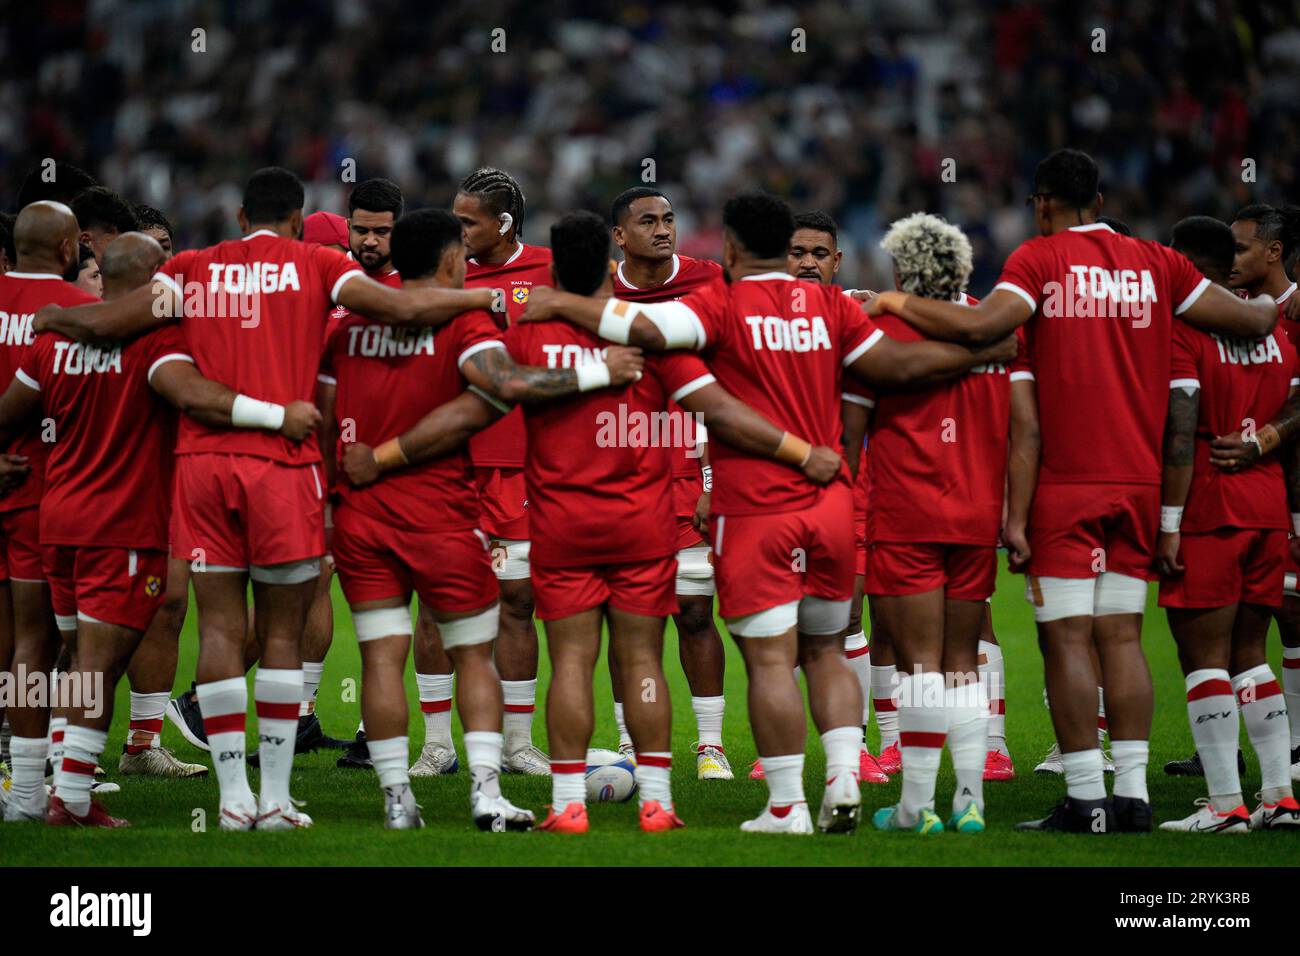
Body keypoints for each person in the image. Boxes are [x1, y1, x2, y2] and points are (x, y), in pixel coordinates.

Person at [523, 193, 1017, 835]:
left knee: (768, 660)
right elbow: (893, 366)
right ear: (790, 247)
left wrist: (563, 303)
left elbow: (646, 332)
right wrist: (978, 355)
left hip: (757, 508)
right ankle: (847, 776)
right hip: (837, 508)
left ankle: (787, 806)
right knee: (830, 653)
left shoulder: (721, 303)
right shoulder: (834, 305)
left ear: (729, 249)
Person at [35, 166, 497, 831]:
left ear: (240, 217)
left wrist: (57, 316)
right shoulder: (316, 261)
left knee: (219, 627)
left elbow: (117, 321)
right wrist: (486, 303)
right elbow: (397, 307)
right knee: (281, 629)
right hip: (282, 463)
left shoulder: (192, 266)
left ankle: (230, 801)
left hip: (202, 464)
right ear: (299, 220)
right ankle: (275, 799)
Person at [863, 148, 1278, 832]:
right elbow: (1254, 321)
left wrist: (888, 299)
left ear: (1043, 202)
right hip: (1140, 485)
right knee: (1122, 635)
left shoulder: (1040, 259)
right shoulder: (1161, 263)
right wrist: (1273, 290)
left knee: (1067, 641)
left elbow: (980, 327)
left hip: (1067, 486)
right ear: (1102, 195)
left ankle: (1086, 799)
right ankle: (1136, 798)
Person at [0, 229, 321, 826]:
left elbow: (7, 416)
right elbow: (194, 396)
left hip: (55, 521)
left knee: (55, 652)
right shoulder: (157, 342)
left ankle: (26, 786)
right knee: (97, 661)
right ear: (154, 281)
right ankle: (68, 797)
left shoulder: (56, 340)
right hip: (120, 525)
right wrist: (276, 414)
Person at [1155, 215, 1300, 831]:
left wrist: (1168, 521)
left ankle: (1223, 806)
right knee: (1251, 655)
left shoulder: (1188, 333)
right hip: (1266, 507)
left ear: (1188, 263)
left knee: (1204, 657)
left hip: (1210, 506)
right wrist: (1265, 441)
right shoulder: (1278, 338)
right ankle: (1279, 797)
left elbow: (1182, 434)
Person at [607, 185, 732, 780]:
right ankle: (629, 744)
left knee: (694, 612)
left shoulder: (711, 279)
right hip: (619, 474)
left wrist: (714, 476)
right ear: (620, 236)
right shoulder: (599, 292)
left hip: (690, 469)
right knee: (628, 616)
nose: (663, 229)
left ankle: (710, 746)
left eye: (669, 218)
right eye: (648, 220)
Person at [0, 201, 101, 823]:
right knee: (43, 644)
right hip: (46, 492)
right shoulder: (85, 315)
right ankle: (35, 790)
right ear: (69, 249)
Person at [454, 167, 550, 775]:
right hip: (452, 463)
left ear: (505, 223)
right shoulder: (446, 272)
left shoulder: (549, 271)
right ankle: (437, 745)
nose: (459, 230)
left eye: (469, 221)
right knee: (443, 604)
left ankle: (517, 744)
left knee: (518, 602)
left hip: (521, 463)